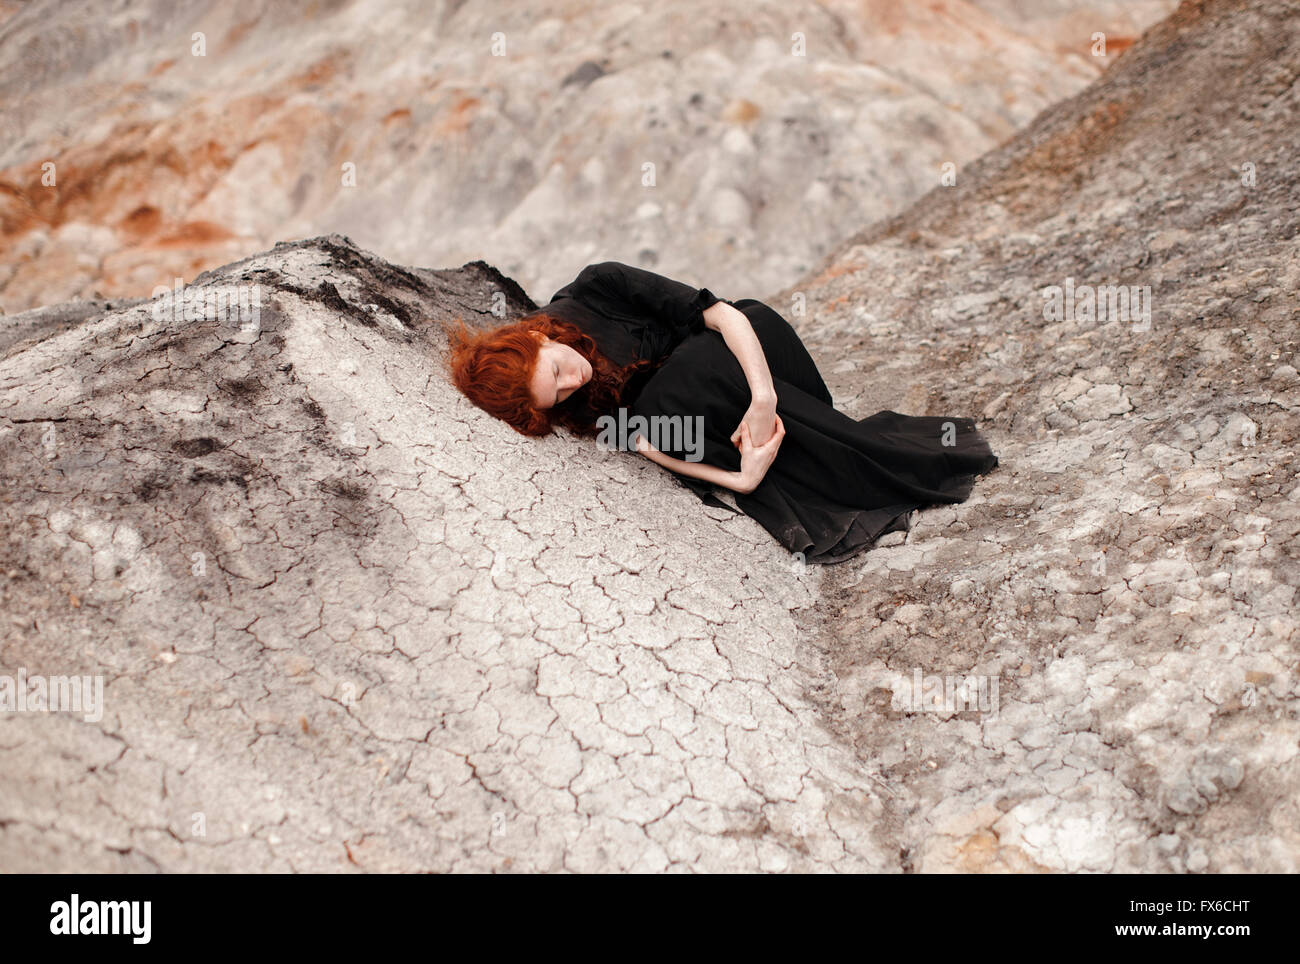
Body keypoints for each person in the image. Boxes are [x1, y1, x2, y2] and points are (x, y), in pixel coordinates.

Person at [446, 260, 998, 564]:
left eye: (558, 369)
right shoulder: (576, 406)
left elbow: (727, 317)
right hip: (718, 423)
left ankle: (860, 461)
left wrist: (762, 398)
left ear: (536, 335)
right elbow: (649, 443)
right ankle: (794, 467)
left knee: (687, 372)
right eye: (558, 395)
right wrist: (740, 476)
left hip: (758, 362)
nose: (574, 383)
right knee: (658, 406)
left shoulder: (599, 284)